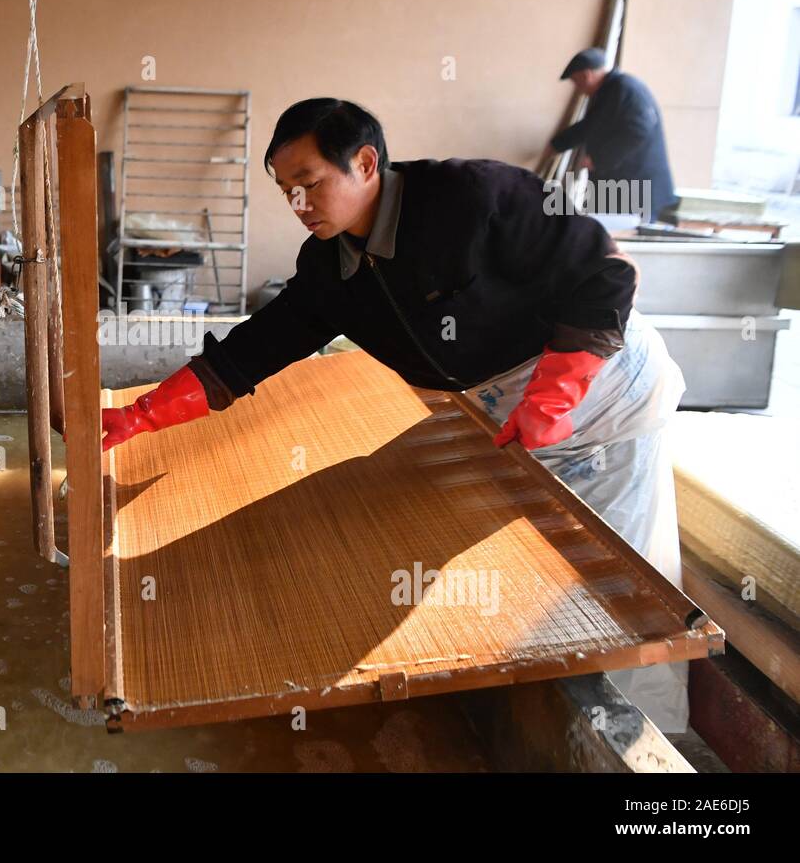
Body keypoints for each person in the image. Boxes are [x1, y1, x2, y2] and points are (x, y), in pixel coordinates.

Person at [101, 98, 690, 732]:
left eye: (310, 183)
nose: (299, 204)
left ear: (364, 163)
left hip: (602, 400)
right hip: (501, 414)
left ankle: (649, 735)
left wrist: (554, 395)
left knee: (615, 587)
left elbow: (604, 274)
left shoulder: (473, 197)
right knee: (522, 566)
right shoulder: (330, 267)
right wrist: (141, 416)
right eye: (286, 191)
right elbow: (250, 353)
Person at [550, 47, 676, 222]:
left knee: (622, 234)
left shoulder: (625, 89)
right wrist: (556, 145)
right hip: (621, 188)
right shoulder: (611, 91)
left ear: (586, 75)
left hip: (635, 189)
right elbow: (591, 125)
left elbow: (638, 130)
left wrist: (598, 159)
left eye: (576, 81)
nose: (578, 88)